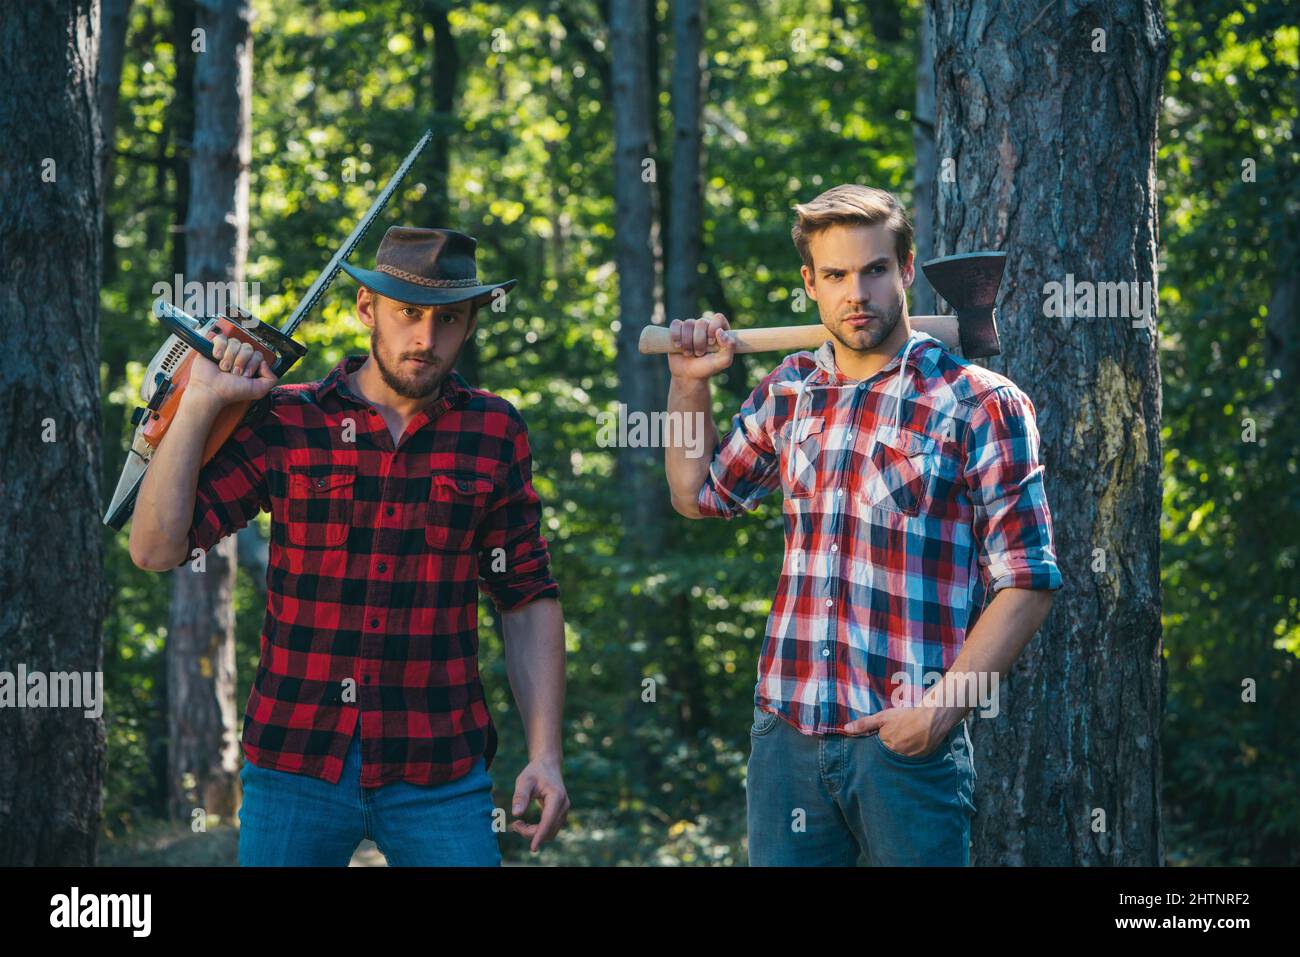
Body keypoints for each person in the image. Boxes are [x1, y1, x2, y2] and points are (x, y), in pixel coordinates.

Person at [129, 226, 568, 866]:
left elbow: (526, 597)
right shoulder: (288, 417)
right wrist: (200, 400)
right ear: (368, 309)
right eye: (408, 314)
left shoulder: (492, 429)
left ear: (471, 323)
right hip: (293, 763)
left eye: (448, 319)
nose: (425, 339)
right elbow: (154, 548)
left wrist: (546, 755)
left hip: (438, 769)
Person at [663, 185, 1062, 866]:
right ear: (810, 284)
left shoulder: (978, 403)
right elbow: (696, 494)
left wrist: (939, 712)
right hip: (784, 738)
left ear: (906, 268)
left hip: (903, 751)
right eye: (837, 275)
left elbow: (1028, 582)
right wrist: (689, 384)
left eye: (875, 269)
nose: (858, 293)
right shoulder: (788, 392)